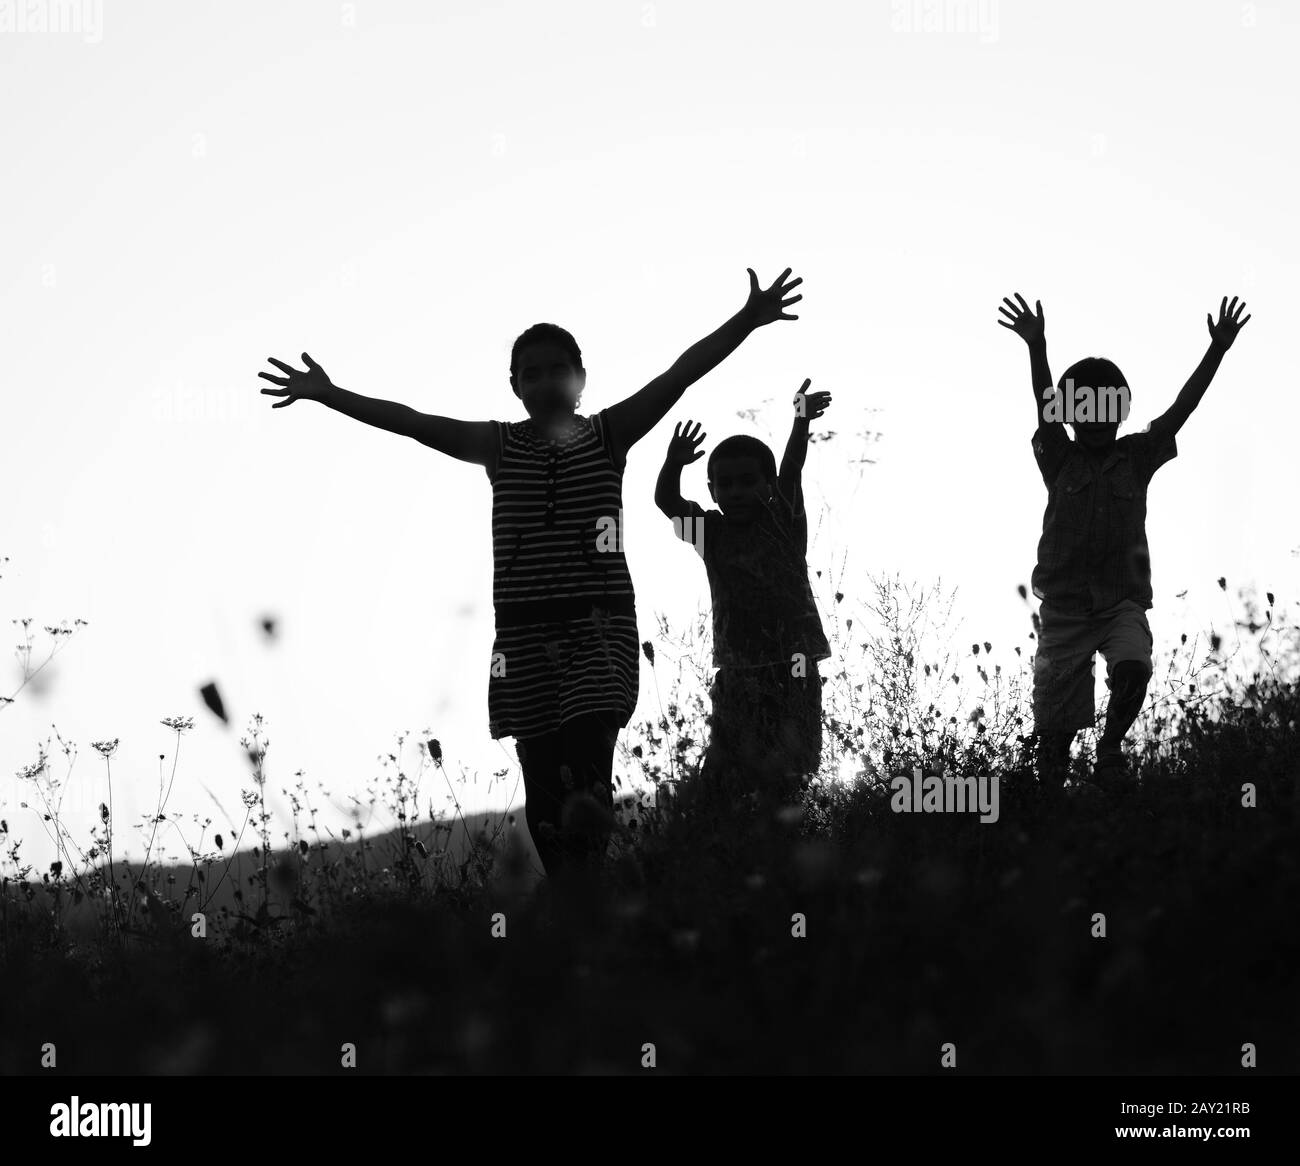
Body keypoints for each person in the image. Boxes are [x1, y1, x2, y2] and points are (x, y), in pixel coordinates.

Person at [257, 266, 804, 878]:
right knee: (545, 792)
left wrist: (747, 321)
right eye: (531, 372)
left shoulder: (608, 435)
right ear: (515, 385)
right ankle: (577, 906)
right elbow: (411, 421)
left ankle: (594, 891)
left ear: (580, 379)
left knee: (589, 768)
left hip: (598, 633)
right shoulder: (497, 446)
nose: (545, 380)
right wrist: (331, 395)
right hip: (521, 640)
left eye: (557, 369)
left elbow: (680, 371)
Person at [997, 292, 1251, 792]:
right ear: (1070, 415)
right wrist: (1037, 346)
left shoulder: (1137, 457)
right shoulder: (1058, 458)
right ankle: (1052, 808)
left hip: (1120, 604)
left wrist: (1216, 351)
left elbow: (1182, 409)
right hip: (1065, 611)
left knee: (1134, 666)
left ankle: (1111, 746)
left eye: (1104, 411)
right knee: (1053, 747)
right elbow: (1042, 405)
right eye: (1082, 412)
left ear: (1119, 412)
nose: (1094, 422)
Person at [655, 379, 833, 809]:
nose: (735, 491)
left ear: (768, 485)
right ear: (712, 490)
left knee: (790, 769)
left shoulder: (784, 524)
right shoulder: (708, 534)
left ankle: (784, 838)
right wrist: (673, 463)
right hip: (737, 670)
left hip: (792, 663)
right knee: (728, 770)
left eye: (748, 481)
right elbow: (666, 500)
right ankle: (731, 844)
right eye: (725, 483)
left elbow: (792, 468)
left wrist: (801, 420)